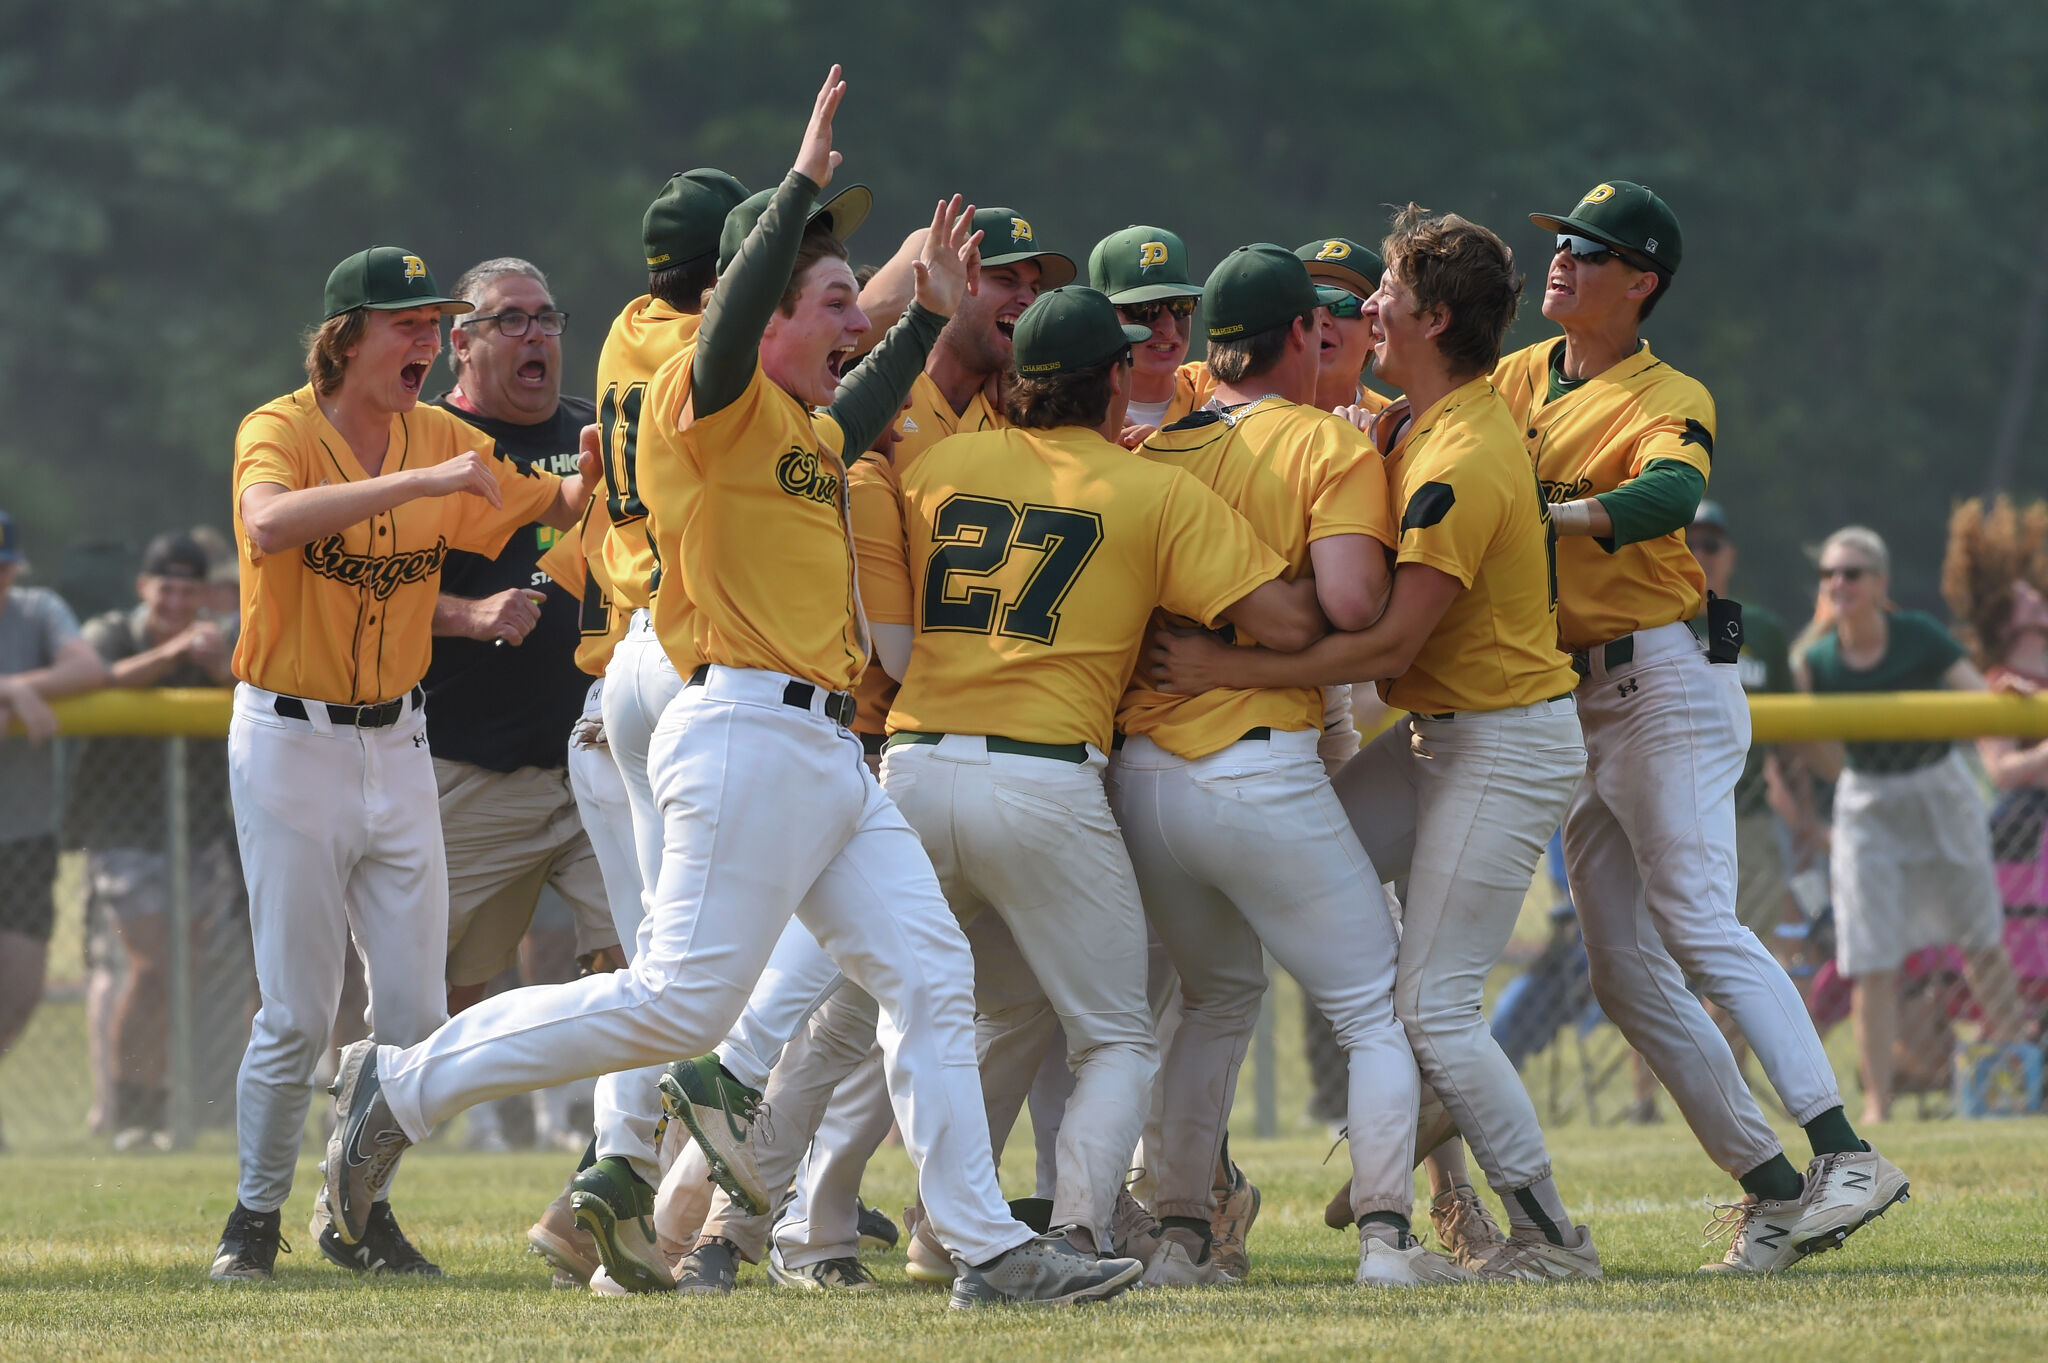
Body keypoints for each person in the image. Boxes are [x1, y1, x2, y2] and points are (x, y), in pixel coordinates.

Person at [320, 68, 1144, 1310]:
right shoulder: (701, 401)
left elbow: (858, 401)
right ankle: (406, 1082)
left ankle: (985, 1247)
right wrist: (802, 182)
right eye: (826, 299)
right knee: (672, 1002)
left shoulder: (799, 427)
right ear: (759, 317)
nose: (844, 321)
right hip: (740, 731)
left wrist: (922, 315)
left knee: (927, 973)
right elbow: (738, 318)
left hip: (822, 756)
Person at [1146, 205, 1600, 1283]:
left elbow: (1389, 633)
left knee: (1428, 1003)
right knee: (1315, 898)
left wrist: (1226, 667)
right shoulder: (1420, 419)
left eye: (1379, 297)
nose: (1360, 313)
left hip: (1501, 739)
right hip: (1446, 731)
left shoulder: (1465, 452)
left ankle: (1545, 1236)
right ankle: (1250, 1192)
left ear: (1433, 317)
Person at [1491, 180, 1902, 1273]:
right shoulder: (1520, 375)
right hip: (1572, 692)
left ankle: (1844, 1151)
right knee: (1620, 970)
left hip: (1662, 678)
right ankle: (1772, 1190)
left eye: (1590, 249)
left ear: (1641, 281)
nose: (1562, 260)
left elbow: (1668, 497)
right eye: (1560, 244)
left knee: (1695, 921)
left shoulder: (1667, 391)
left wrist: (1556, 513)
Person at [208, 244, 597, 1282]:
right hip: (291, 741)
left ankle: (357, 1204)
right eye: (406, 325)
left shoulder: (437, 433)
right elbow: (265, 522)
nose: (424, 340)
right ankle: (252, 1218)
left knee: (420, 1022)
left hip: (399, 740)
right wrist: (426, 474)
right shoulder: (282, 427)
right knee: (295, 1010)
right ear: (346, 339)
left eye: (432, 324)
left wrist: (613, 456)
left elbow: (555, 504)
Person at [1117, 245, 1462, 1289]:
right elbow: (1356, 605)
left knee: (1214, 1001)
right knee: (1369, 1010)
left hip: (1141, 775)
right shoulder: (1324, 443)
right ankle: (1385, 1244)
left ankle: (1179, 1236)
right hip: (1256, 764)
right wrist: (1281, 605)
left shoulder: (1150, 451)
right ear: (1299, 337)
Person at [425, 257, 617, 1017]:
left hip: (599, 760)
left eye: (545, 318)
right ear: (460, 343)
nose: (534, 333)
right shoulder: (427, 447)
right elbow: (363, 586)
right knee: (431, 999)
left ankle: (629, 1139)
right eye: (510, 319)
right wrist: (465, 615)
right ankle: (363, 1122)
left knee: (641, 970)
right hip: (474, 767)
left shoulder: (594, 434)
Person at [1799, 524, 2030, 1122]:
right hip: (1869, 804)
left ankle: (2018, 1077)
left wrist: (2004, 695)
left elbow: (1975, 698)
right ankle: (1878, 1106)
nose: (1838, 583)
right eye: (1829, 574)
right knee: (1870, 958)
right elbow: (1827, 764)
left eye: (1852, 572)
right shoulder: (1818, 661)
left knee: (1980, 937)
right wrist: (1803, 676)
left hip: (1938, 793)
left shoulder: (1919, 637)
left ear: (1880, 583)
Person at [68, 532, 237, 1151]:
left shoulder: (218, 637)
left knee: (181, 973)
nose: (176, 599)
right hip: (121, 828)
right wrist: (169, 659)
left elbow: (252, 696)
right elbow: (92, 679)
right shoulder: (114, 630)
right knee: (148, 966)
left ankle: (160, 1108)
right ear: (144, 588)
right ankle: (129, 1108)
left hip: (195, 825)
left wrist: (217, 662)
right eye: (166, 587)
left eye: (189, 589)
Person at [0, 509, 109, 1149]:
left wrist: (16, 686)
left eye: (5, 568)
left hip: (25, 831)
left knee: (21, 988)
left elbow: (87, 670)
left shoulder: (37, 609)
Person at [1945, 498, 2048, 1019]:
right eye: (2029, 600)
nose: (2039, 601)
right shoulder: (1998, 685)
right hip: (2024, 828)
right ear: (2008, 622)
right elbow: (2000, 771)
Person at [1087, 224, 1213, 443]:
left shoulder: (1220, 390)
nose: (1168, 328)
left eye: (1181, 306)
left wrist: (1166, 452)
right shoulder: (1073, 410)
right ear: (1101, 315)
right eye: (1144, 309)